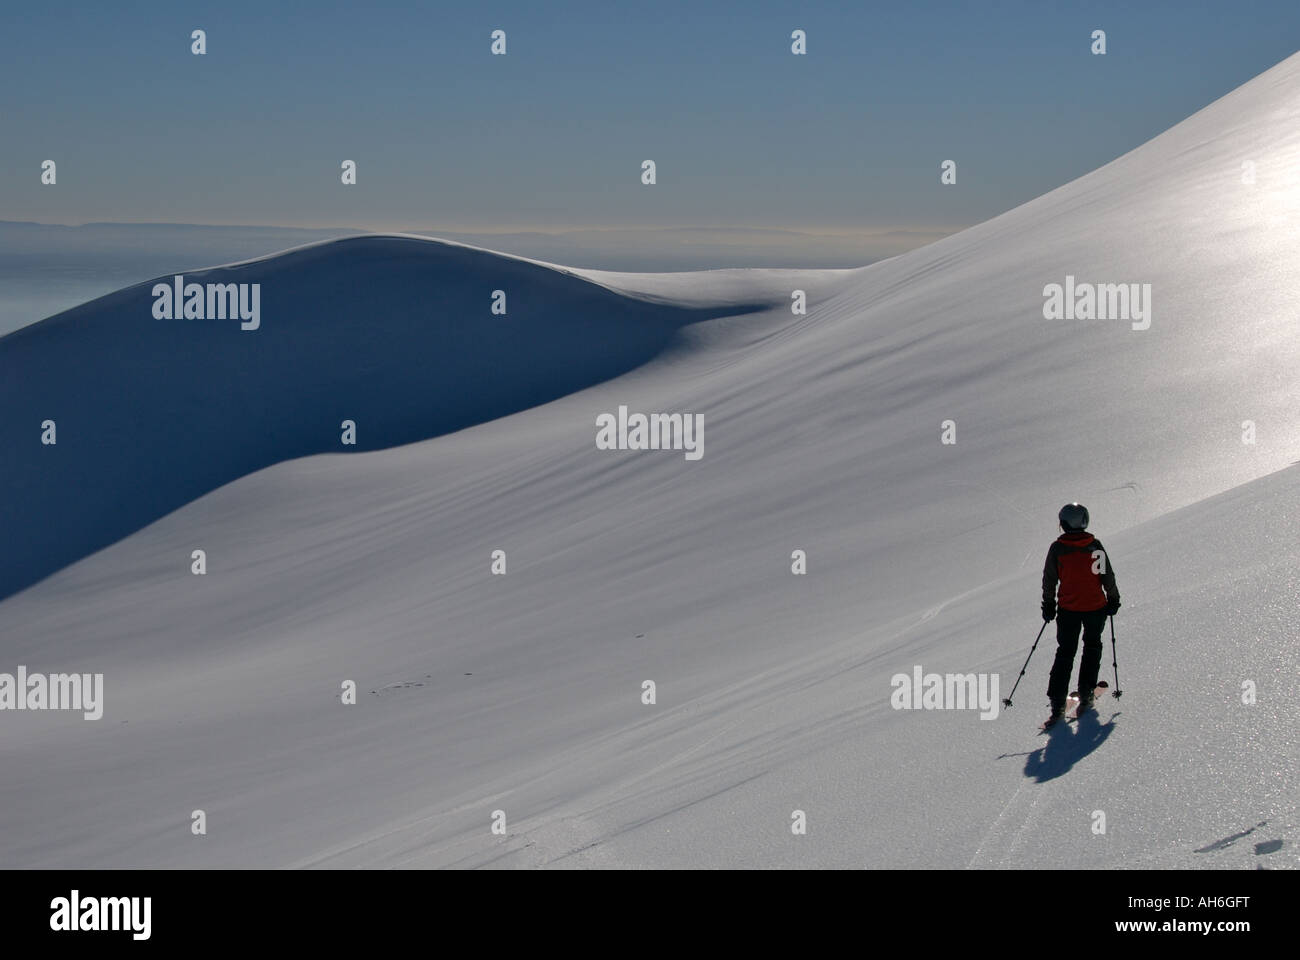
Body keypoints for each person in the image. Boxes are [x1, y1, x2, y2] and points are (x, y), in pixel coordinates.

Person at [1040, 503, 1120, 727]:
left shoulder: (1058, 549)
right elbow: (1107, 575)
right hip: (1095, 607)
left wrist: (1048, 605)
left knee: (1065, 654)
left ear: (1064, 524)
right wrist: (1113, 599)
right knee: (1092, 647)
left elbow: (1049, 579)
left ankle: (1057, 705)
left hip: (1068, 610)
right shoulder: (1094, 546)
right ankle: (1086, 694)